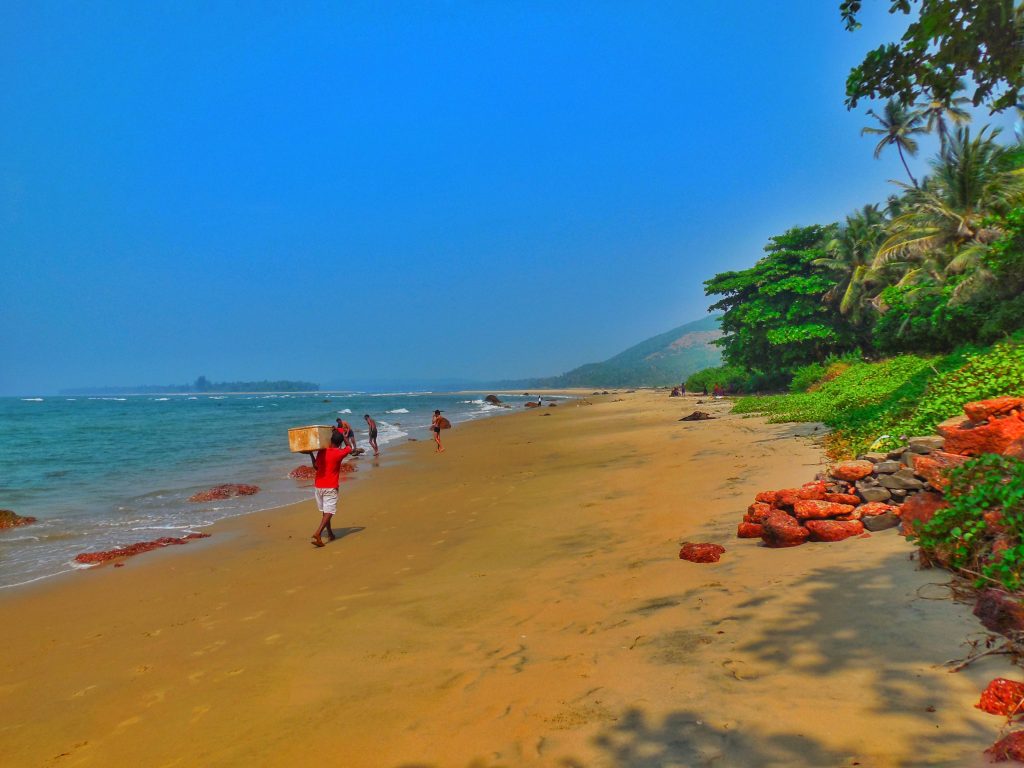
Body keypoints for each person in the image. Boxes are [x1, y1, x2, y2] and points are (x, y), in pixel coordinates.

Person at [307, 431, 352, 547]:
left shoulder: (322, 451)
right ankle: (318, 533)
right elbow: (349, 447)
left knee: (325, 511)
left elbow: (316, 467)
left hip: (318, 486)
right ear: (340, 443)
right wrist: (345, 437)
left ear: (330, 440)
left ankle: (330, 533)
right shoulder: (339, 453)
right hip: (330, 486)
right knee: (329, 511)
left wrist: (311, 454)